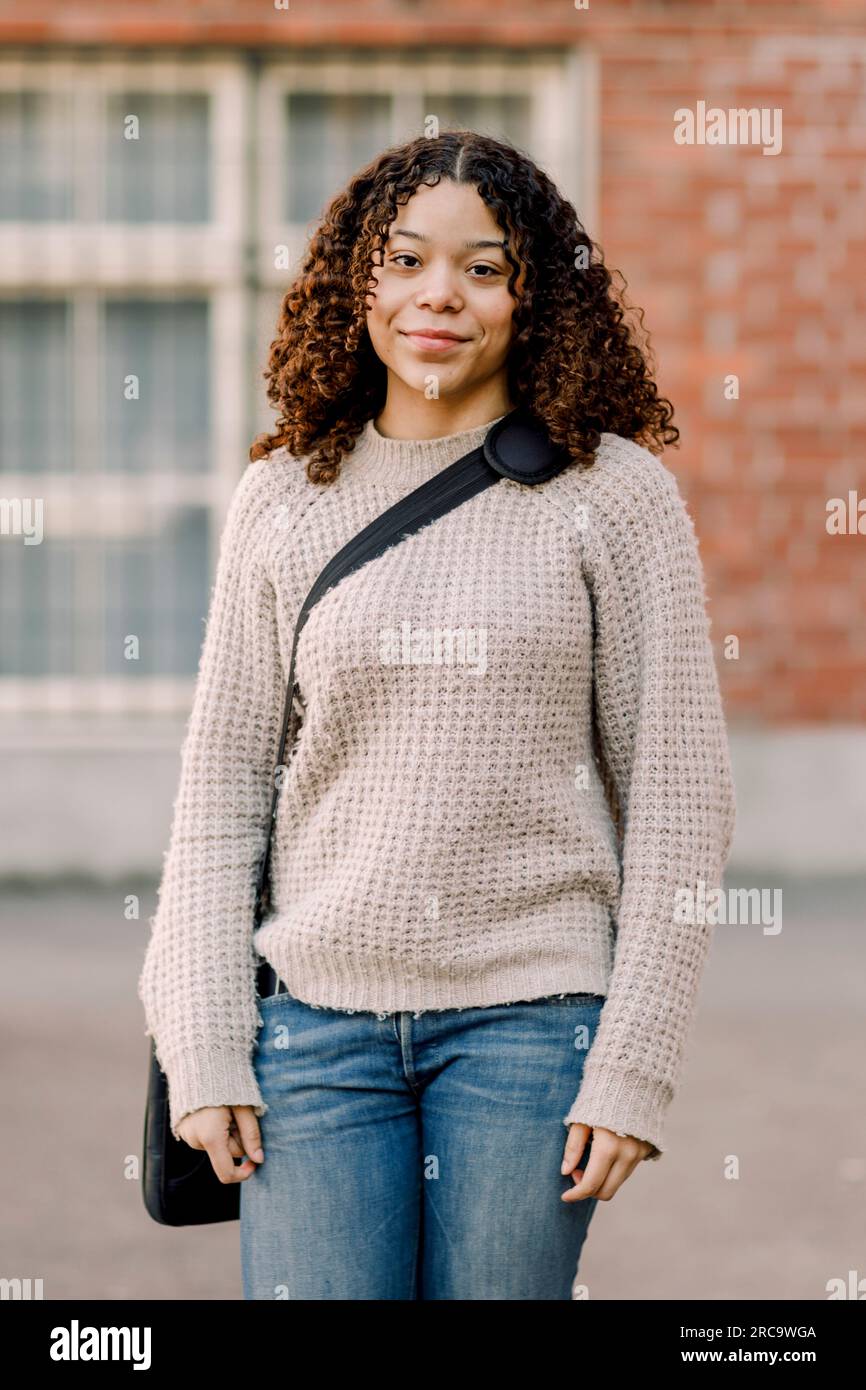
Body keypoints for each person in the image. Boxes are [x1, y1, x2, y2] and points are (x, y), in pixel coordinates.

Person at [138, 130, 736, 1300]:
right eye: (405, 259)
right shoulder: (282, 498)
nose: (437, 297)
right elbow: (216, 799)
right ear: (355, 280)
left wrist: (633, 1064)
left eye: (482, 267)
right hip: (310, 1039)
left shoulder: (612, 496)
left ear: (532, 295)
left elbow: (679, 803)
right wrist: (199, 1040)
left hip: (529, 1032)